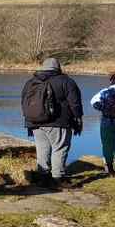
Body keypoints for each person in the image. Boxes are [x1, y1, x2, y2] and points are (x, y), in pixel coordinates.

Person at [21, 57, 83, 188]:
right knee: (59, 149)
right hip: (59, 122)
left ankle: (43, 177)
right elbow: (75, 103)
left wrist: (29, 122)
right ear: (58, 68)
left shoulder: (31, 82)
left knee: (42, 149)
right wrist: (78, 119)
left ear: (43, 67)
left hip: (35, 123)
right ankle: (58, 178)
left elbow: (24, 102)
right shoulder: (66, 81)